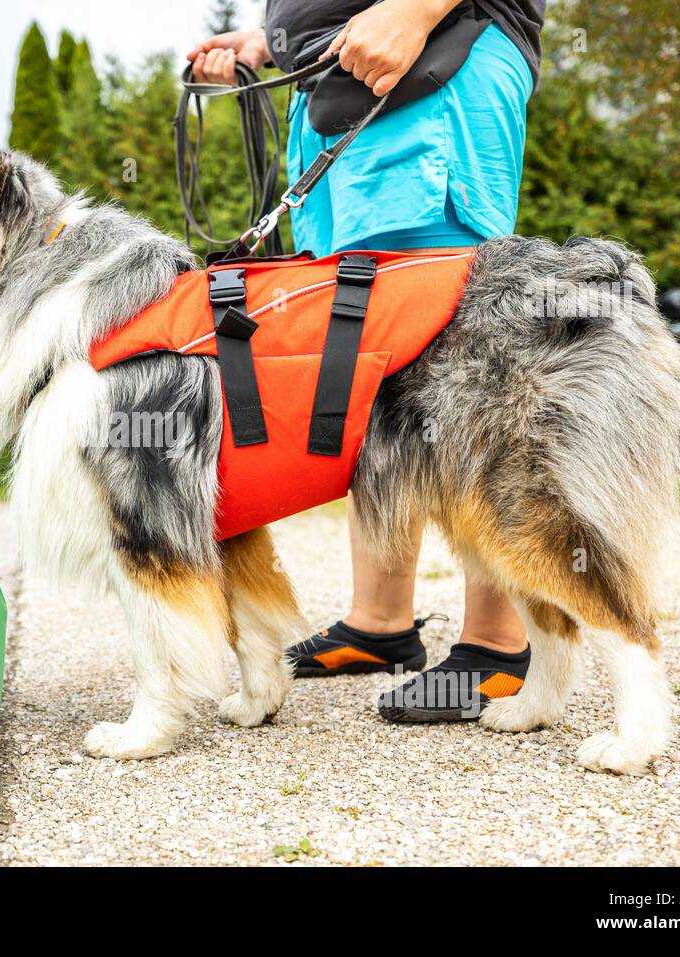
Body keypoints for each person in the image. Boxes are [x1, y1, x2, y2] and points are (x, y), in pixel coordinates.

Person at [187, 0, 548, 722]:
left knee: (455, 360)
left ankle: (496, 646)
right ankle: (381, 621)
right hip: (348, 72)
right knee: (372, 365)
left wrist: (415, 9)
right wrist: (276, 36)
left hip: (435, 59)